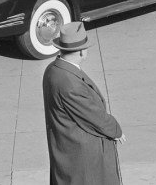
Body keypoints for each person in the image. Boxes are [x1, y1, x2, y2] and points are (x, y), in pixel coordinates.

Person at [43, 22, 125, 185]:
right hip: (83, 159)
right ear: (81, 51)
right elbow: (93, 116)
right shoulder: (69, 82)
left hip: (68, 150)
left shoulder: (53, 70)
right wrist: (116, 131)